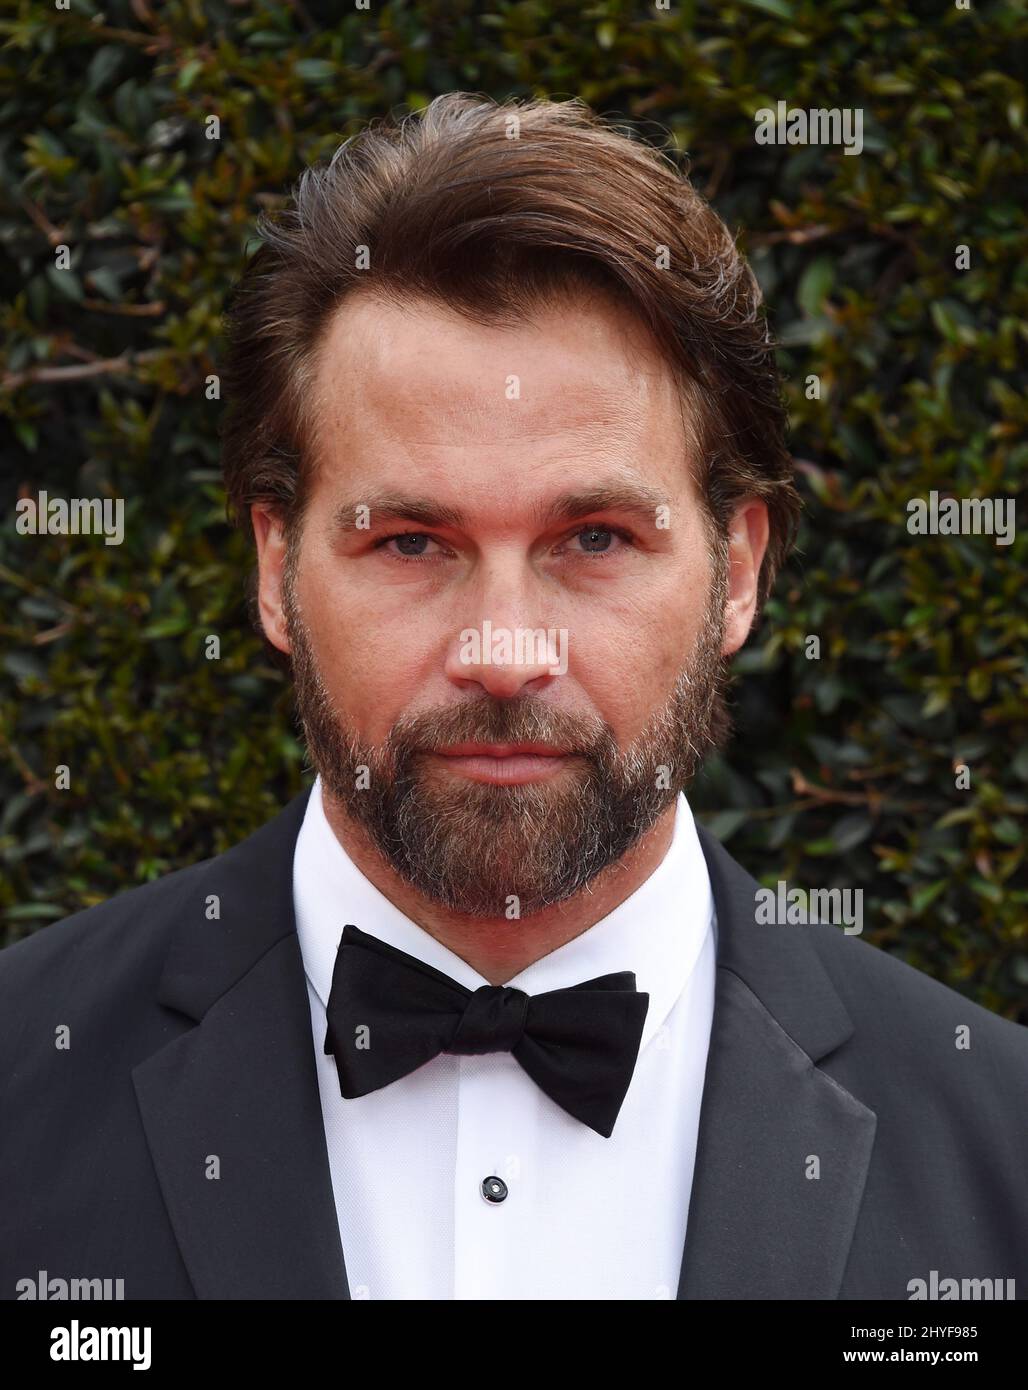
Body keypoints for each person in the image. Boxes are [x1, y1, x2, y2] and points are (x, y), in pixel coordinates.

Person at [2, 93, 1025, 1302]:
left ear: (737, 572)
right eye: (411, 543)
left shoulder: (997, 1142)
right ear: (275, 572)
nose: (501, 649)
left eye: (592, 538)